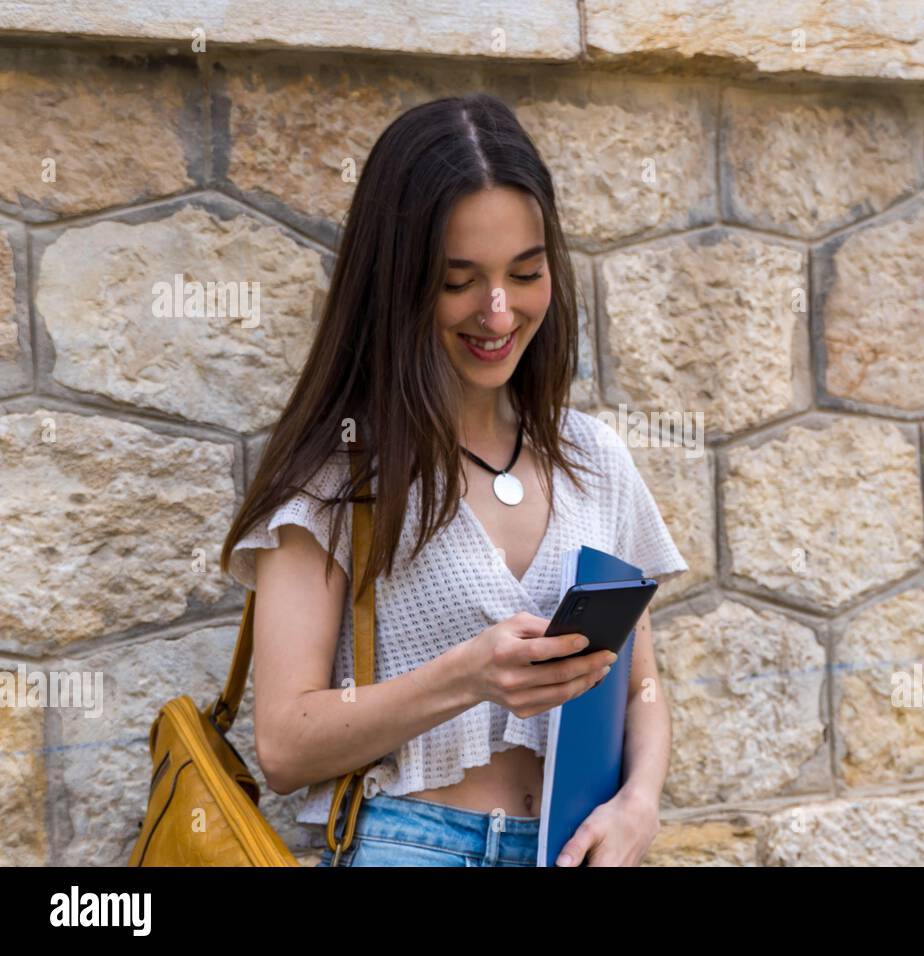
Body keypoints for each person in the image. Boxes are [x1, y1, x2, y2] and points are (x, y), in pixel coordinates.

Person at [219, 93, 688, 867]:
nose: (498, 313)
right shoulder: (338, 474)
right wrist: (468, 676)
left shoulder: (593, 457)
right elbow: (285, 742)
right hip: (412, 845)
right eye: (458, 280)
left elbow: (641, 690)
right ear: (396, 279)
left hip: (572, 848)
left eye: (526, 273)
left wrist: (639, 808)